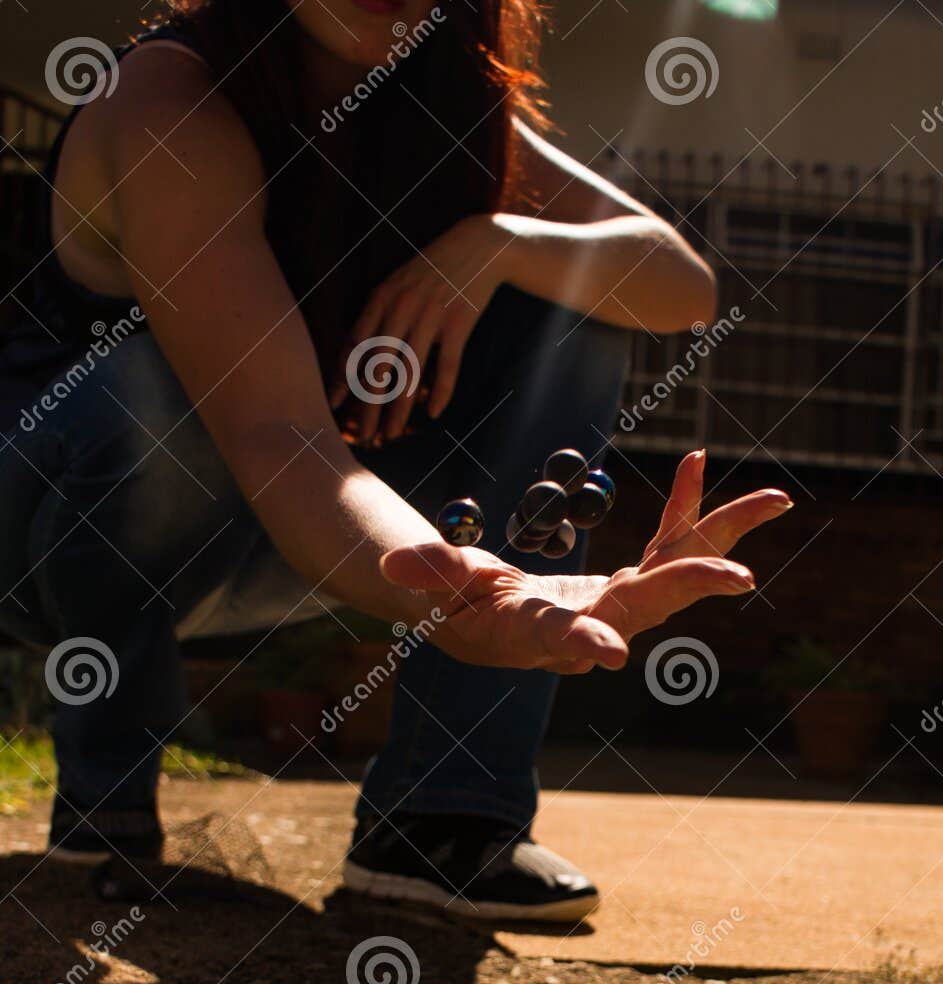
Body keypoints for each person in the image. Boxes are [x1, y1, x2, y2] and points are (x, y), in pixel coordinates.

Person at [0, 0, 791, 921]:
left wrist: (498, 243)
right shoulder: (175, 101)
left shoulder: (445, 92)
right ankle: (106, 795)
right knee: (154, 383)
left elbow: (682, 284)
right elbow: (273, 431)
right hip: (48, 533)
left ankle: (442, 820)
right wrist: (438, 591)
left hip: (300, 522)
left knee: (571, 310)